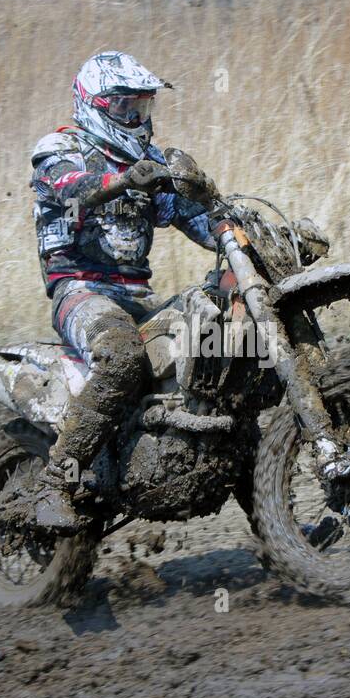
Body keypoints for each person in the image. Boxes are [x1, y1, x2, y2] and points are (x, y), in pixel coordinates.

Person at [27, 51, 218, 532]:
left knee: (222, 331)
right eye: (127, 108)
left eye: (144, 108)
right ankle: (54, 483)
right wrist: (120, 181)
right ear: (95, 105)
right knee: (120, 355)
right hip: (81, 291)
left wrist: (235, 224)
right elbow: (71, 189)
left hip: (138, 295)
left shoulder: (150, 161)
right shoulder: (59, 148)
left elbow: (198, 221)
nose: (137, 119)